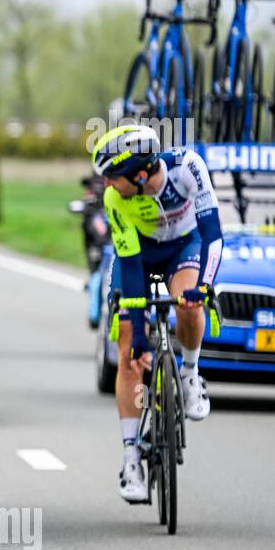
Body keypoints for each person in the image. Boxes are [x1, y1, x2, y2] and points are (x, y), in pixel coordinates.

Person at [94, 124, 222, 503]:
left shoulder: (187, 170)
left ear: (140, 172)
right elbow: (130, 264)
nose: (109, 185)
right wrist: (135, 321)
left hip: (185, 247)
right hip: (140, 256)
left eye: (114, 177)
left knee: (189, 304)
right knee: (128, 351)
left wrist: (205, 286)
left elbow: (213, 234)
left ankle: (189, 374)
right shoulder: (116, 201)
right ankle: (131, 458)